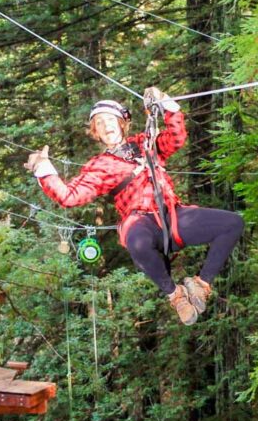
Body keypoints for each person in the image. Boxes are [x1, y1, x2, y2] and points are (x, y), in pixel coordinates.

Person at [24, 87, 244, 325]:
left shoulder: (145, 143)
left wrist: (166, 103)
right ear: (96, 132)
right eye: (100, 123)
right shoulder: (100, 165)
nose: (107, 126)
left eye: (110, 120)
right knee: (136, 240)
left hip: (172, 215)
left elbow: (176, 138)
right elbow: (69, 196)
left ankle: (201, 284)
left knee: (233, 223)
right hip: (140, 221)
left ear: (121, 123)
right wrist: (43, 169)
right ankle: (175, 295)